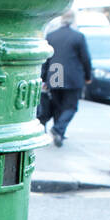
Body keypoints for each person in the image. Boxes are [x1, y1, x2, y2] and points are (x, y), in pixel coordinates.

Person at [38, 10, 93, 146]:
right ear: (73, 20)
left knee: (58, 106)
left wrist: (44, 78)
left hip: (55, 75)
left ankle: (59, 134)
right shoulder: (78, 37)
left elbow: (47, 59)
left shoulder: (51, 36)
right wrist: (88, 76)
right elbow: (85, 59)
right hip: (73, 78)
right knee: (70, 107)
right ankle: (58, 129)